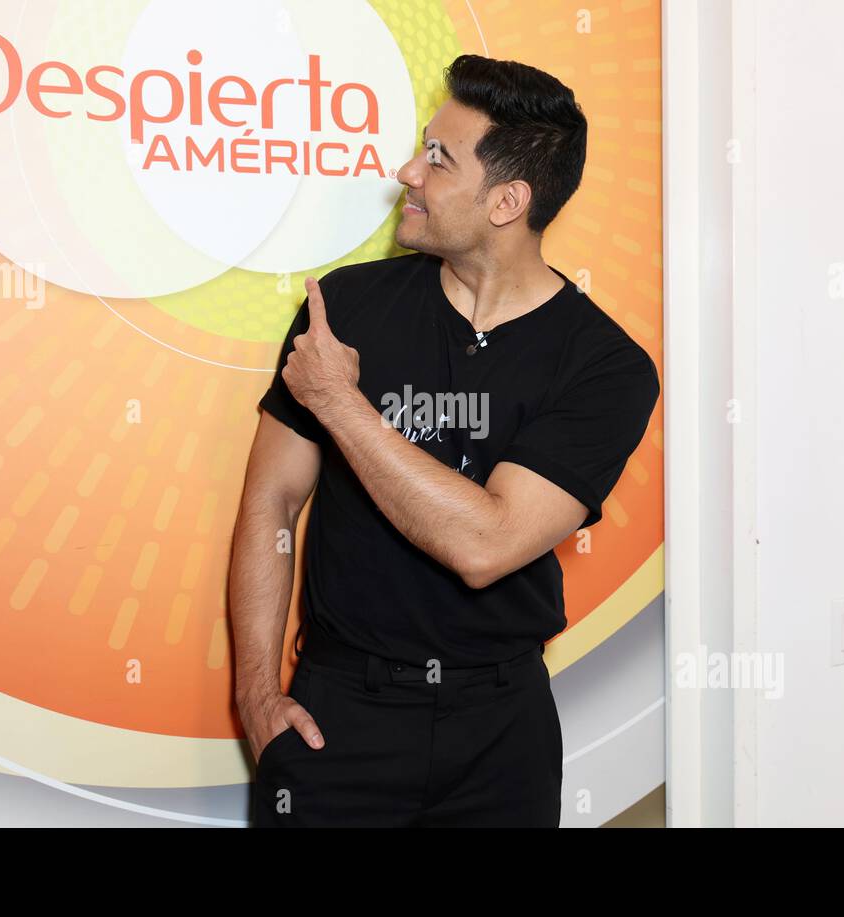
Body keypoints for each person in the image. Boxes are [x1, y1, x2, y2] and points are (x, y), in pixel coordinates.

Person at [231, 53, 659, 827]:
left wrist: (340, 400)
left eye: (437, 157)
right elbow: (274, 500)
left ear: (507, 201)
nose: (407, 171)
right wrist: (257, 694)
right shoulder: (346, 308)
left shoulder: (608, 367)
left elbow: (488, 541)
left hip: (502, 733)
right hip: (336, 719)